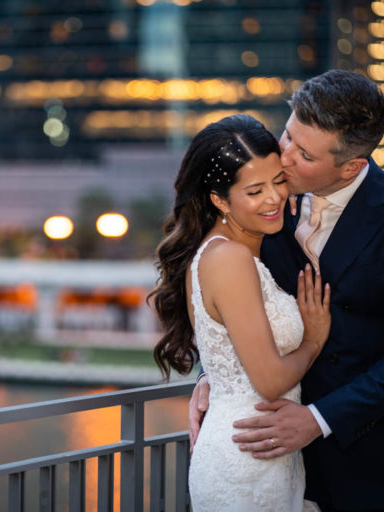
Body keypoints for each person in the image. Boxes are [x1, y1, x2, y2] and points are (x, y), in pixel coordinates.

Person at [189, 70, 384, 511]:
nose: (284, 158)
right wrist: (213, 374)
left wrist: (318, 419)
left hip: (376, 461)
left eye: (304, 154)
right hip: (275, 459)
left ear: (351, 166)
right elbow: (229, 296)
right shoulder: (265, 202)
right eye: (287, 135)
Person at [150, 113, 331, 511]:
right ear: (219, 199)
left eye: (279, 181)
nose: (274, 198)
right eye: (255, 190)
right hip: (244, 459)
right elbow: (268, 380)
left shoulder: (245, 248)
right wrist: (315, 338)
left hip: (269, 451)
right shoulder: (229, 258)